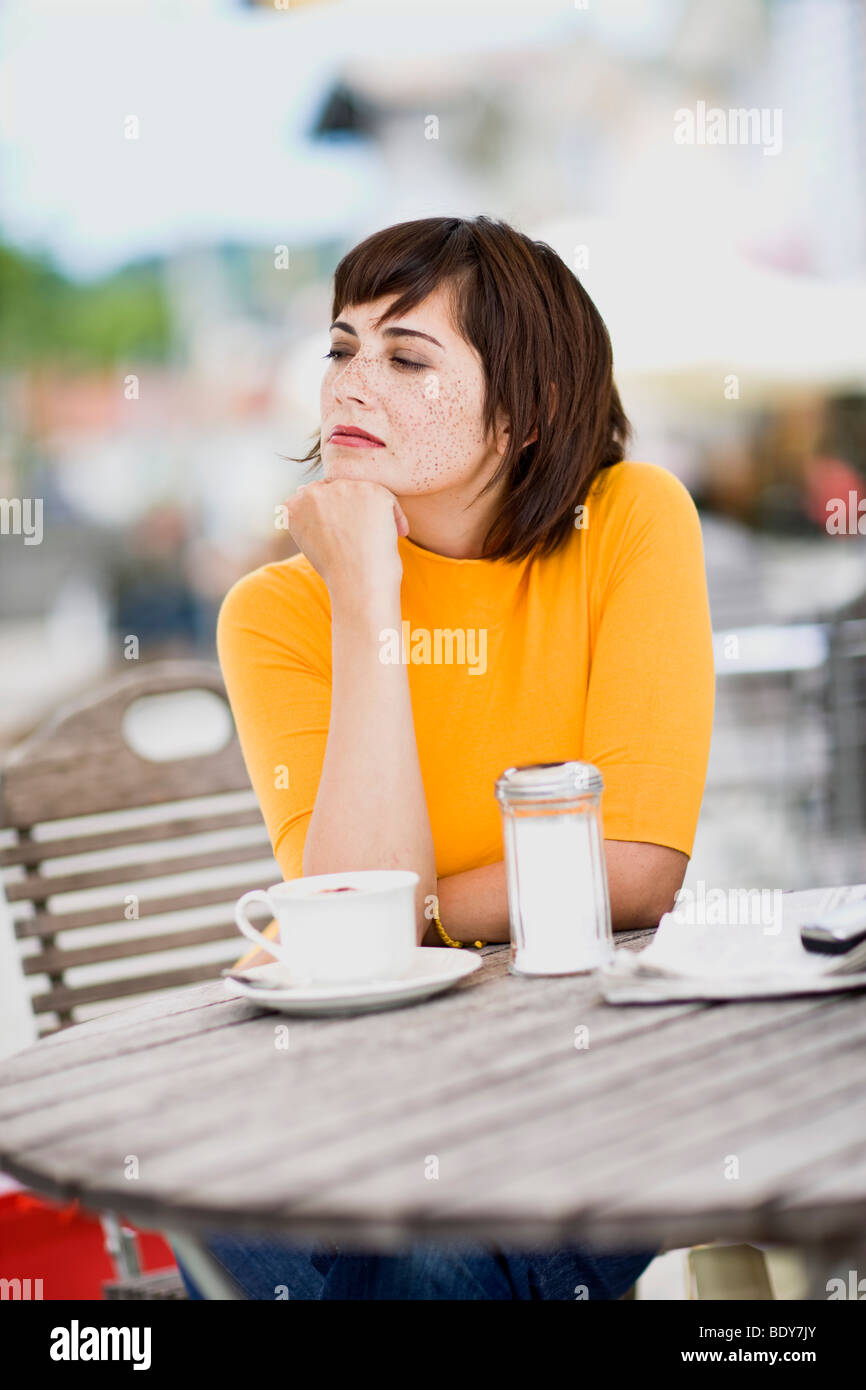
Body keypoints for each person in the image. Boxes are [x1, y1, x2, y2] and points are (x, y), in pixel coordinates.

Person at [174, 215, 715, 1299]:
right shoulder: (278, 613)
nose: (346, 385)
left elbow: (639, 865)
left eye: (405, 356)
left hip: (578, 1079)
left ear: (529, 409)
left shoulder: (625, 520)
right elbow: (350, 928)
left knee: (433, 1259)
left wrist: (409, 910)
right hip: (335, 1096)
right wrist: (367, 596)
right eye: (339, 347)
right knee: (382, 1242)